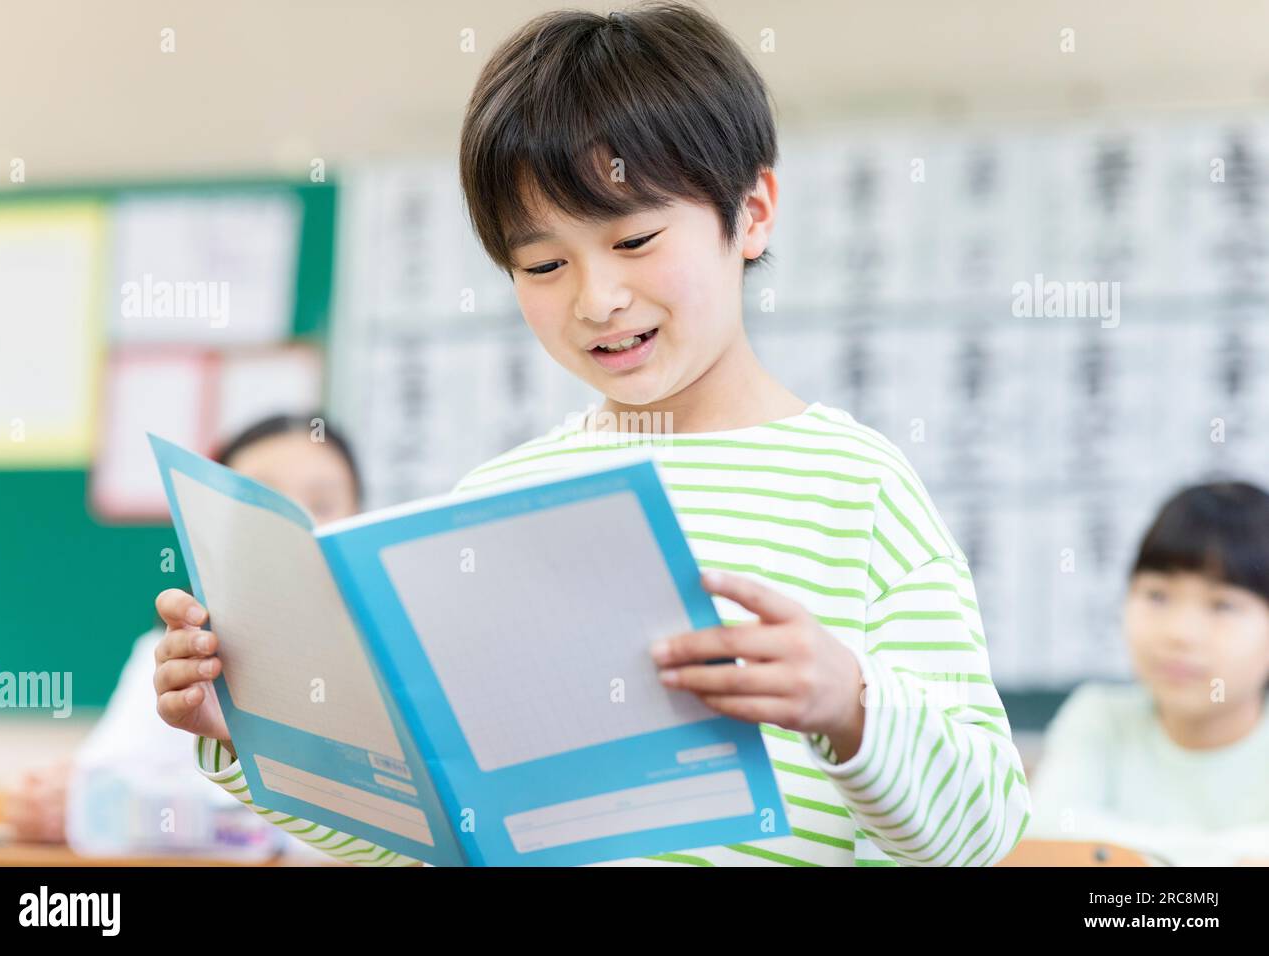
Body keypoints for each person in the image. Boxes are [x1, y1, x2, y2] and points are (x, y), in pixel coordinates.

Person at [152, 2, 1031, 867]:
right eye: (543, 264)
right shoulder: (492, 505)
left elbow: (982, 831)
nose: (596, 299)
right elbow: (435, 833)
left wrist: (852, 706)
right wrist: (255, 734)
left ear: (753, 212)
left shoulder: (860, 490)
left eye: (636, 238)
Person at [4, 412, 361, 860]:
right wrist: (56, 802)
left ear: (360, 522)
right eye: (259, 503)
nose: (288, 526)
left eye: (321, 504)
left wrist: (162, 810)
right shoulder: (178, 654)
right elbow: (92, 794)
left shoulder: (392, 663)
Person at [1027, 481, 1269, 865]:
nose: (1180, 634)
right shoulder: (1101, 716)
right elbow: (1046, 835)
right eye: (1157, 595)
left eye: (1222, 605)